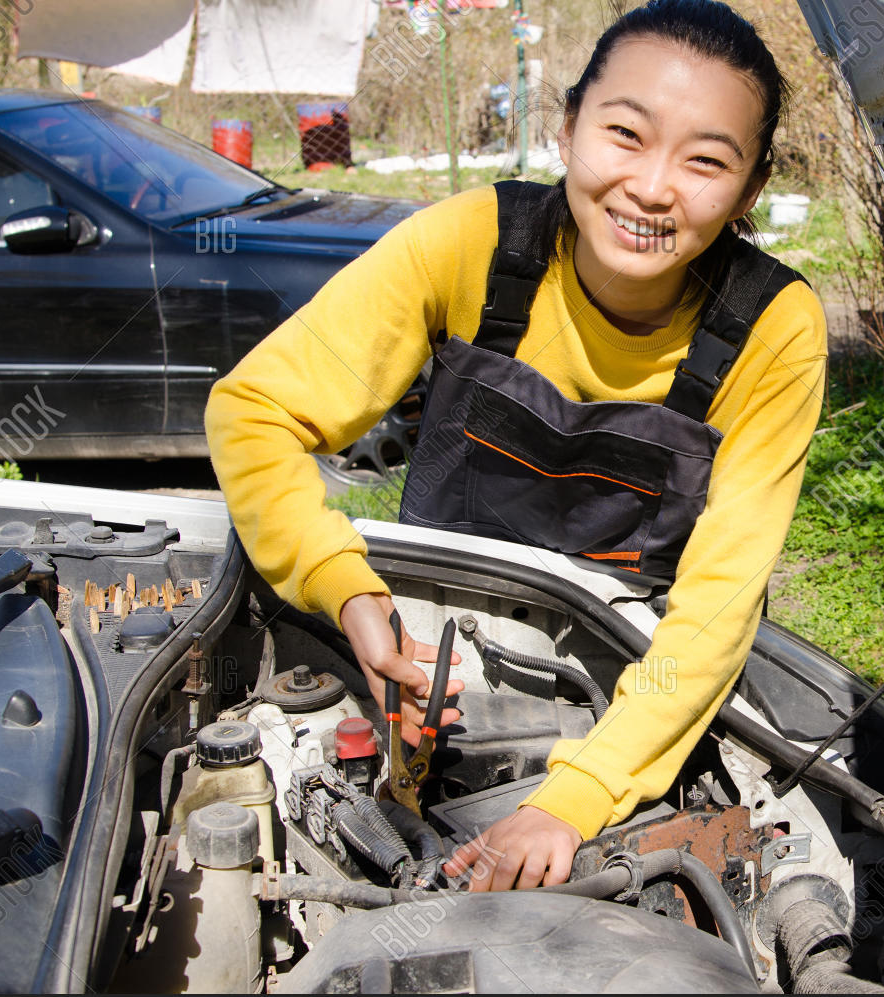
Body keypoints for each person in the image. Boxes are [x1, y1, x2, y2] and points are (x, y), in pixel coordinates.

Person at [204, 0, 827, 893]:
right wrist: (340, 587)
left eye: (705, 161)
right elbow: (255, 407)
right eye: (625, 134)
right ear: (569, 126)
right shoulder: (470, 243)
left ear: (751, 189)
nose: (653, 188)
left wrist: (575, 801)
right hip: (422, 665)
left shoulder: (774, 329)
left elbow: (719, 605)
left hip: (632, 691)